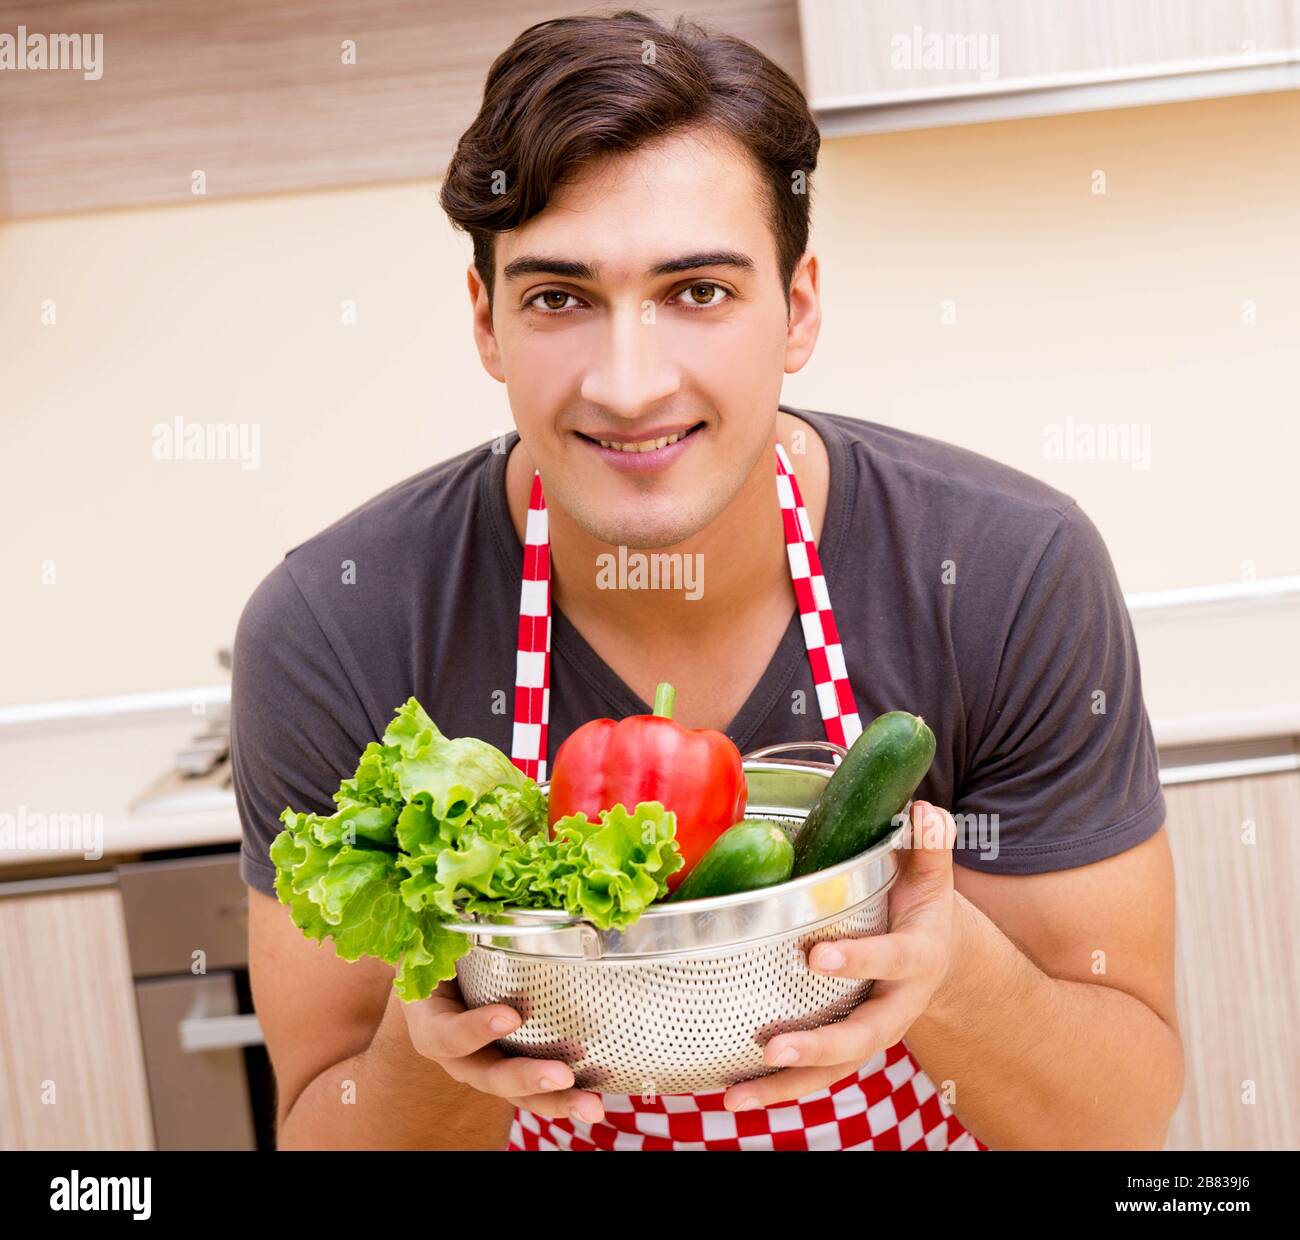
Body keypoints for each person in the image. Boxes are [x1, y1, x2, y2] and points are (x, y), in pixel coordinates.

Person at [232, 9, 1182, 1151]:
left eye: (697, 291)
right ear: (486, 322)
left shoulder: (1003, 572)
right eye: (558, 298)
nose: (629, 385)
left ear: (800, 307)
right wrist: (437, 1046)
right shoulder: (335, 627)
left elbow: (1116, 1124)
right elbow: (322, 1133)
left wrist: (955, 972)